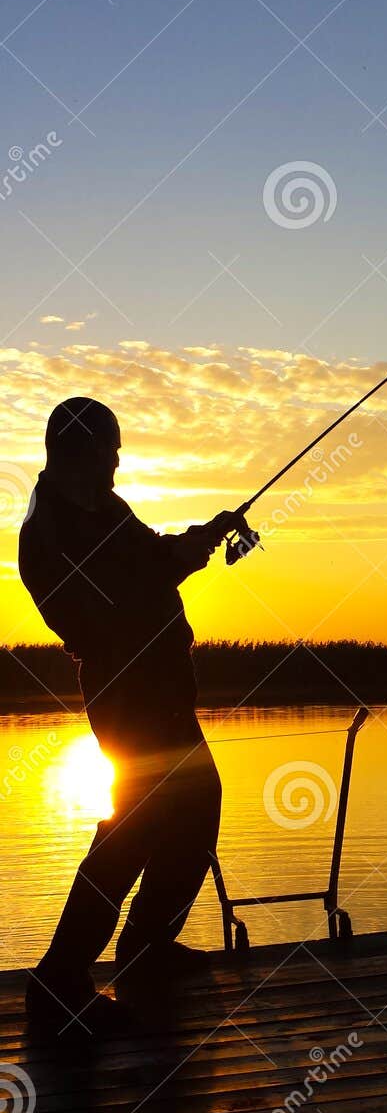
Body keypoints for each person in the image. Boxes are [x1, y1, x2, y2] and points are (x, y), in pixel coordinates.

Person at [18, 397, 240, 1039]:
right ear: (78, 454)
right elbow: (102, 611)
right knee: (134, 827)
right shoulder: (50, 532)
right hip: (126, 695)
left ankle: (146, 945)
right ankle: (58, 981)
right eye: (109, 451)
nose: (117, 462)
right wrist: (171, 569)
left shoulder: (104, 511)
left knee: (196, 808)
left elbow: (151, 562)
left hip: (163, 689)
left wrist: (203, 538)